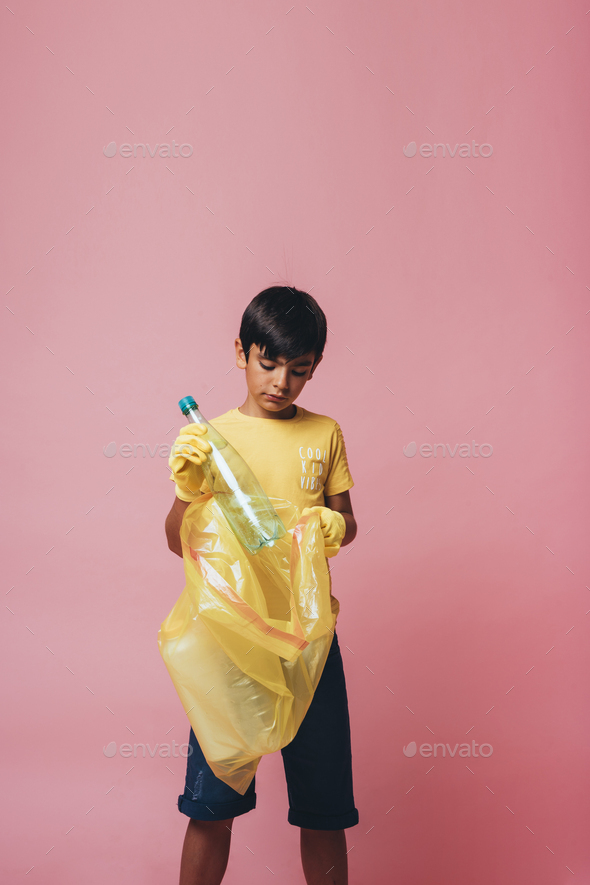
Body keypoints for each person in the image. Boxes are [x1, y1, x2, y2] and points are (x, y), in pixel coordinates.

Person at [164, 286, 359, 885]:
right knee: (211, 809)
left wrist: (332, 526)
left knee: (323, 812)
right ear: (243, 353)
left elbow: (347, 524)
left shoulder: (324, 434)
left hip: (310, 644)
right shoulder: (212, 439)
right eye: (267, 362)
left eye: (297, 371)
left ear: (313, 369)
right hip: (234, 648)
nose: (280, 382)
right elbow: (178, 539)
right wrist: (190, 487)